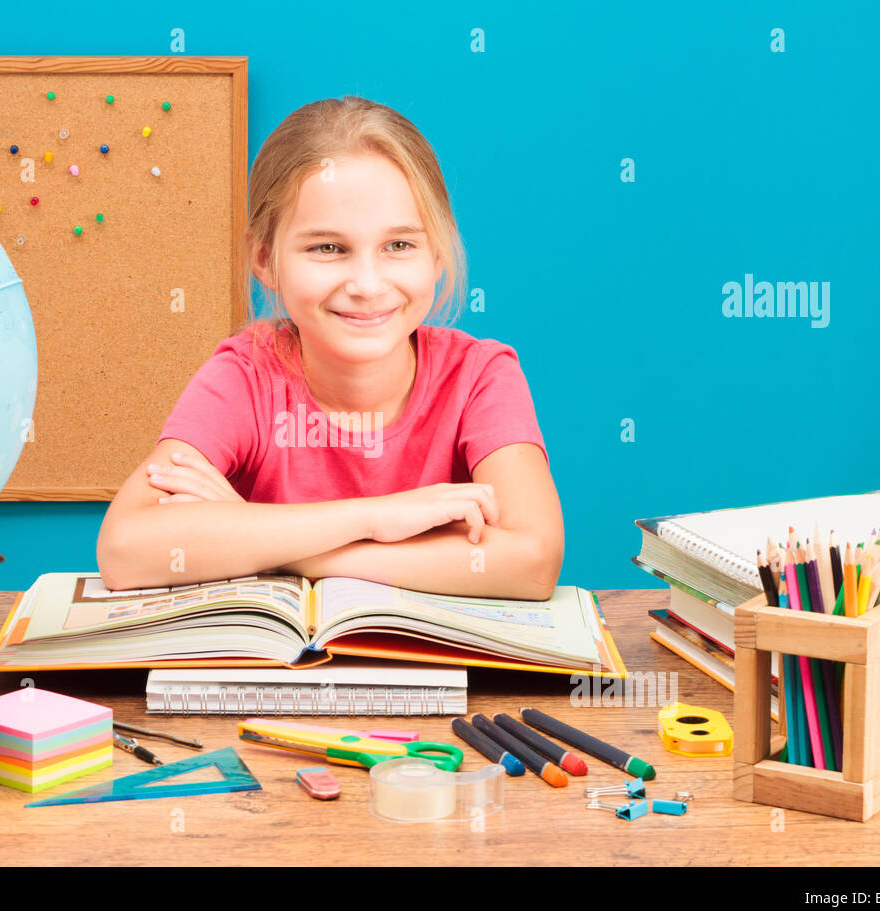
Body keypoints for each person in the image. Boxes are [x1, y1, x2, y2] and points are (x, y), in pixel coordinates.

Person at [97, 96, 562, 600]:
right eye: (328, 248)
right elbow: (124, 550)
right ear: (265, 257)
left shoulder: (479, 376)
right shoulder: (244, 376)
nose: (367, 284)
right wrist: (374, 517)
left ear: (437, 254)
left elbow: (533, 562)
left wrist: (268, 539)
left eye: (398, 246)